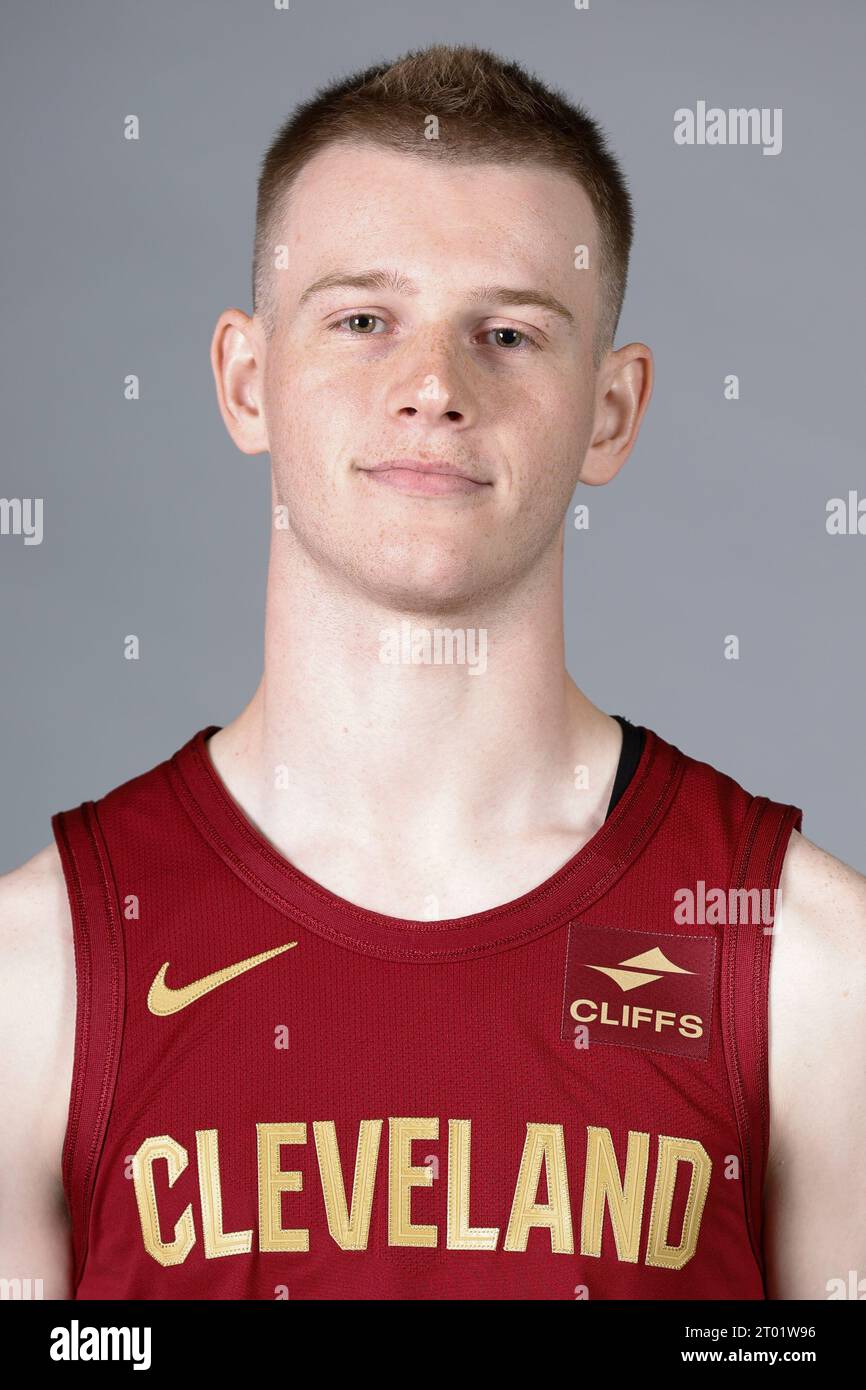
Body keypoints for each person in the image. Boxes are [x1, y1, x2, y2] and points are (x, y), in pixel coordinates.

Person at [1, 43, 864, 1302]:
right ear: (247, 381)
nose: (430, 389)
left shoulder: (806, 964)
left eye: (506, 333)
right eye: (361, 320)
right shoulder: (39, 976)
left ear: (611, 412)